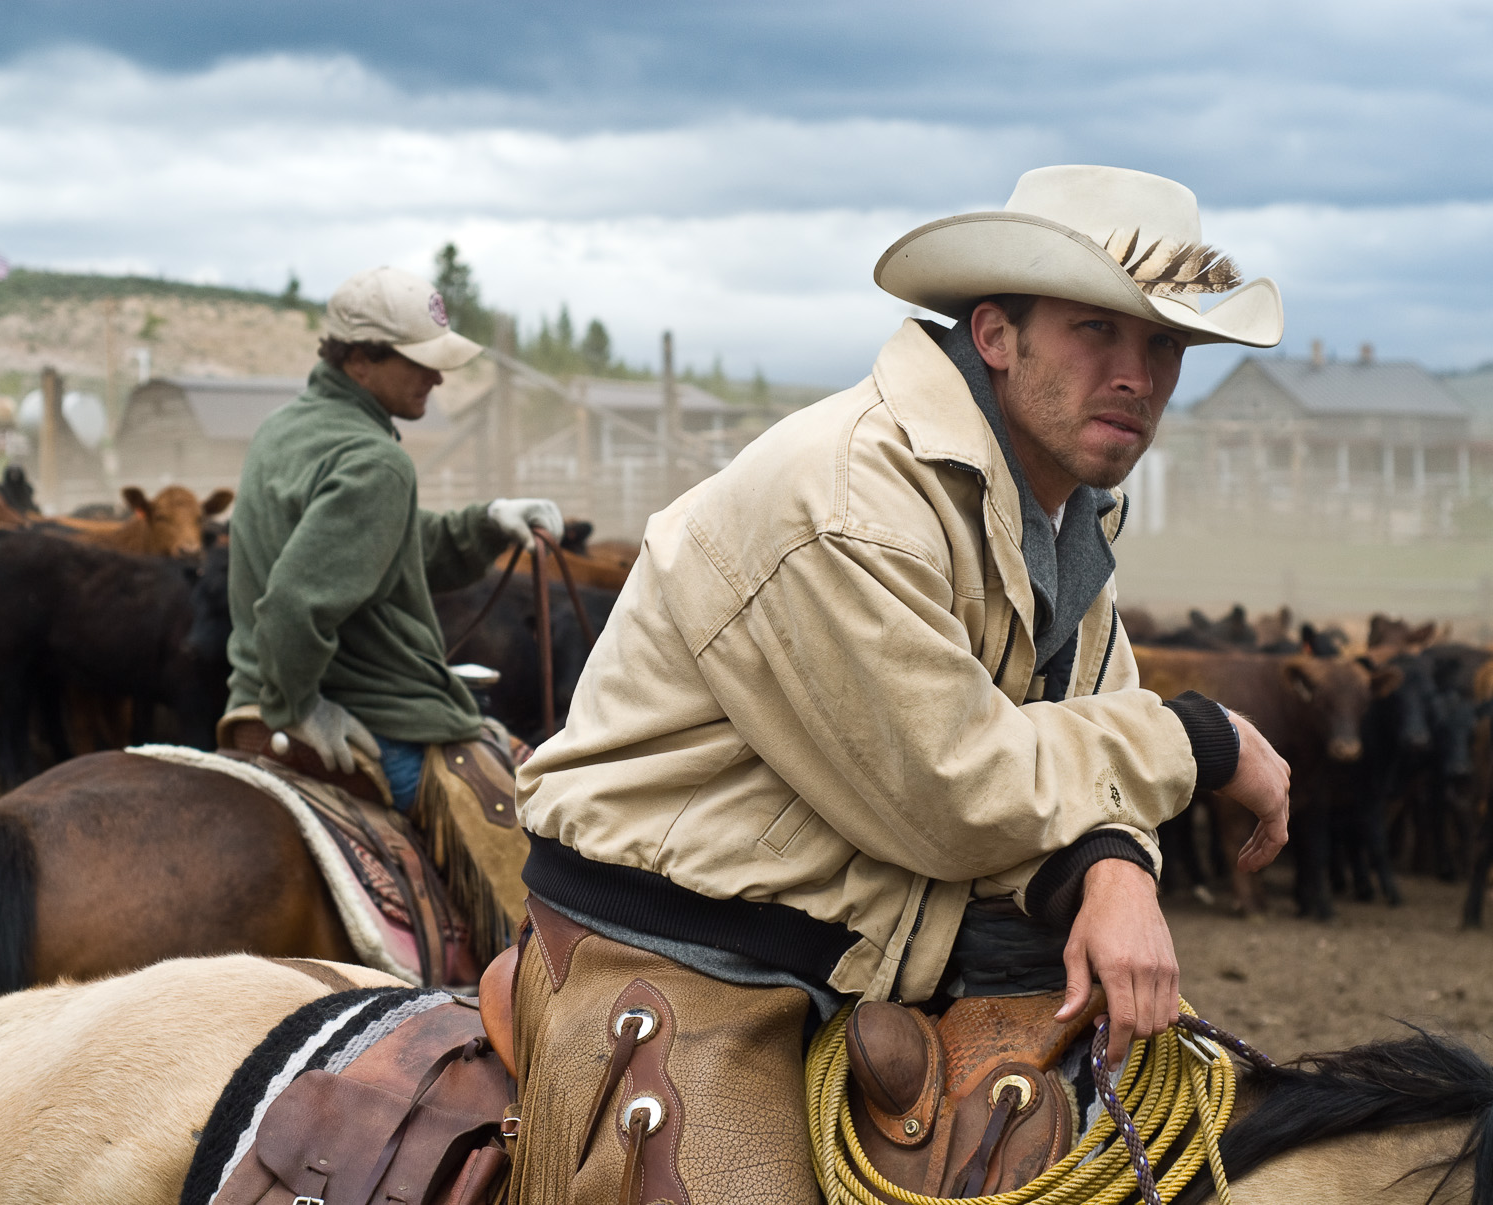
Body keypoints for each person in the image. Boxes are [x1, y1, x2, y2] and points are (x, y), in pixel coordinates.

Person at [506, 166, 1294, 1203]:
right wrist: (1201, 742)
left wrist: (1112, 866)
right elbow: (960, 788)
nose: (1137, 376)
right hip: (691, 940)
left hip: (886, 929)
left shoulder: (1066, 518)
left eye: (1163, 345)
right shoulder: (847, 498)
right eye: (1095, 333)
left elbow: (1085, 744)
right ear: (996, 335)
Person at [225, 264, 563, 812]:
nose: (437, 378)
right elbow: (292, 604)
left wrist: (488, 522)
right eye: (421, 362)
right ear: (360, 360)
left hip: (249, 702)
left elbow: (381, 547)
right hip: (369, 715)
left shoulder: (285, 428)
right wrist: (300, 707)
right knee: (525, 841)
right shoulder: (375, 461)